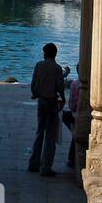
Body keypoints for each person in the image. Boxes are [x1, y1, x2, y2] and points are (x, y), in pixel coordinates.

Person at [28, 42, 65, 177]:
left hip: (41, 101)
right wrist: (63, 98)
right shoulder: (57, 68)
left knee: (39, 132)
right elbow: (60, 87)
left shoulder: (39, 65)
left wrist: (36, 93)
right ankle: (46, 167)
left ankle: (34, 163)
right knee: (50, 135)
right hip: (52, 102)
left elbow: (34, 84)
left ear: (46, 53)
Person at [64, 63, 81, 169]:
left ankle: (72, 160)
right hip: (82, 114)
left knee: (75, 136)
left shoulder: (74, 84)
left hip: (76, 114)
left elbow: (71, 104)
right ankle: (72, 159)